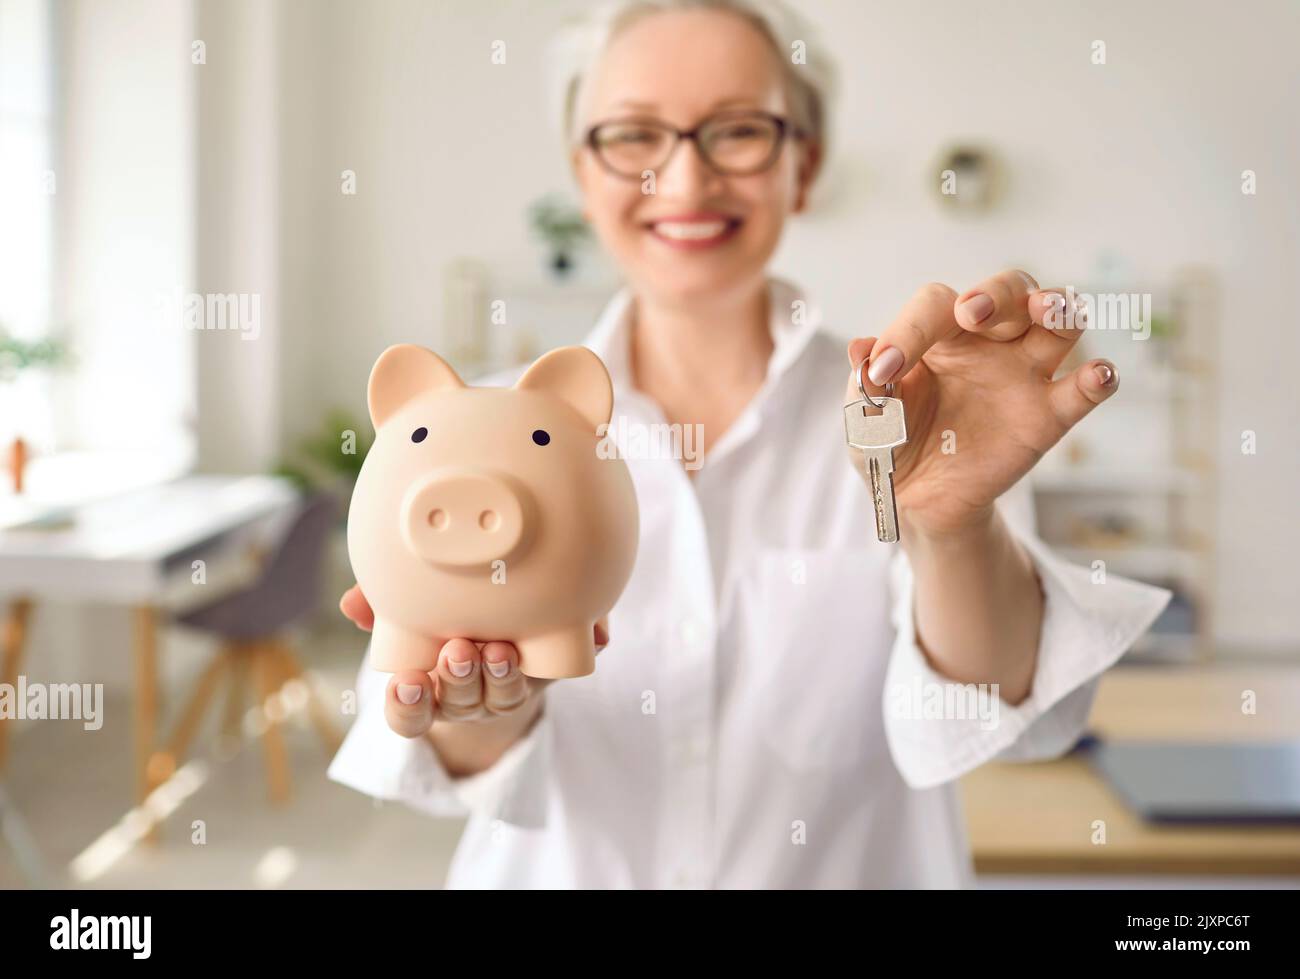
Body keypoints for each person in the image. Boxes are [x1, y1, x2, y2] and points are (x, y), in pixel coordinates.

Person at [328, 0, 1169, 887]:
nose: (685, 182)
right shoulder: (473, 430)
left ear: (803, 166)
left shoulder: (916, 415)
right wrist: (485, 704)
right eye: (634, 135)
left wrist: (950, 526)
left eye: (738, 131)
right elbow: (445, 758)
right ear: (583, 172)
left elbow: (996, 716)